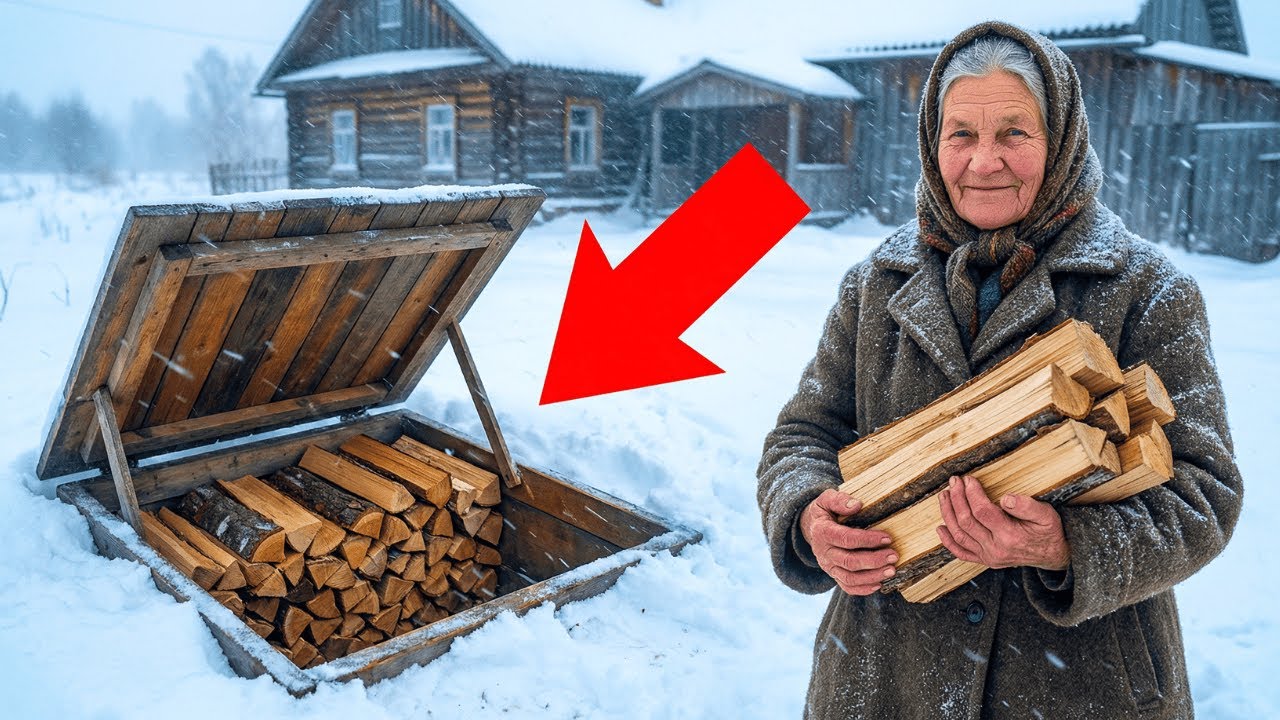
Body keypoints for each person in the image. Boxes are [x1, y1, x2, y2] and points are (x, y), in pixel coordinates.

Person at [756, 20, 1242, 719]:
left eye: (1015, 132)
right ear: (932, 139)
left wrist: (1065, 546)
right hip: (886, 677)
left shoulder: (1145, 288)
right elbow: (803, 435)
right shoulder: (876, 285)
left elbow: (1206, 493)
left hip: (1080, 685)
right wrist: (807, 514)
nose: (984, 161)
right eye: (962, 134)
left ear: (1064, 137)